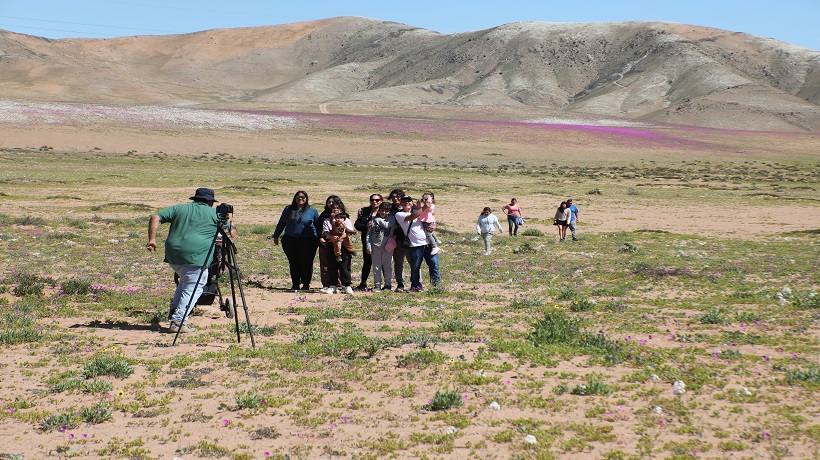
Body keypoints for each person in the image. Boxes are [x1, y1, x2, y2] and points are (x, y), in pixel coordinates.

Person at [147, 187, 219, 333]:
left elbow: (155, 217)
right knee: (194, 285)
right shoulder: (215, 213)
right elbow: (231, 232)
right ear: (210, 201)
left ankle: (174, 310)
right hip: (195, 255)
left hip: (174, 255)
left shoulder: (179, 208)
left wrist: (152, 239)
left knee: (186, 280)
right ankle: (179, 320)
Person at [272, 191, 320, 291]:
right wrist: (276, 235)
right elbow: (281, 223)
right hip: (290, 240)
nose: (300, 199)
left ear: (306, 199)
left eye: (303, 197)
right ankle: (295, 284)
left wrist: (320, 238)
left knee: (306, 262)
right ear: (295, 198)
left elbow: (318, 225)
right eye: (298, 197)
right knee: (294, 262)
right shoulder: (288, 209)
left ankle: (306, 284)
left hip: (309, 240)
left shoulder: (312, 210)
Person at [396, 195, 440, 291]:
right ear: (401, 203)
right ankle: (416, 286)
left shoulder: (418, 209)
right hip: (414, 245)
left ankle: (436, 286)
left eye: (409, 201)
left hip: (428, 243)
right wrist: (424, 207)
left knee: (434, 264)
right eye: (404, 201)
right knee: (415, 267)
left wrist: (433, 224)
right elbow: (412, 216)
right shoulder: (399, 214)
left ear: (412, 202)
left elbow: (430, 216)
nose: (407, 203)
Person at [323, 207, 356, 294]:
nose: (335, 210)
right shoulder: (327, 220)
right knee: (332, 265)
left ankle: (347, 285)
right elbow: (325, 232)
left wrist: (341, 238)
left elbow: (349, 231)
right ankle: (333, 285)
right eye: (334, 208)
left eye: (338, 208)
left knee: (345, 265)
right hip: (331, 243)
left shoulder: (346, 220)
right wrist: (332, 237)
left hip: (344, 244)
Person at [353, 193, 383, 290]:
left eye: (377, 200)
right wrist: (365, 225)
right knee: (367, 262)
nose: (375, 202)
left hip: (381, 241)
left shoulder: (385, 211)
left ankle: (385, 284)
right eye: (372, 200)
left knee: (382, 263)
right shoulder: (365, 211)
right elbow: (357, 225)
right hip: (367, 240)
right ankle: (363, 283)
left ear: (381, 201)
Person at [367, 202, 397, 292]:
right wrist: (369, 247)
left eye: (386, 211)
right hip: (375, 245)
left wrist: (376, 219)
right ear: (379, 210)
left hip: (388, 246)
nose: (383, 212)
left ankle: (388, 284)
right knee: (376, 266)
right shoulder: (373, 220)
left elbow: (386, 225)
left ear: (389, 212)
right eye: (382, 210)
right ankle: (377, 284)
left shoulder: (391, 219)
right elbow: (368, 235)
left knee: (387, 266)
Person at [317, 195, 343, 290]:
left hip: (339, 243)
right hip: (325, 242)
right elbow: (318, 228)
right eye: (329, 202)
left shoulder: (343, 216)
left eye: (333, 202)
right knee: (325, 265)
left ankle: (339, 285)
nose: (331, 204)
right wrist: (320, 238)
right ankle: (326, 285)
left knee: (339, 264)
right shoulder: (323, 215)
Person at [387, 189, 409, 291]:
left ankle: (417, 283)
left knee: (413, 262)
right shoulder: (390, 209)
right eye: (393, 197)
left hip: (410, 239)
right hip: (397, 240)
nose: (395, 199)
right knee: (398, 262)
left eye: (398, 197)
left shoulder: (409, 208)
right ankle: (400, 283)